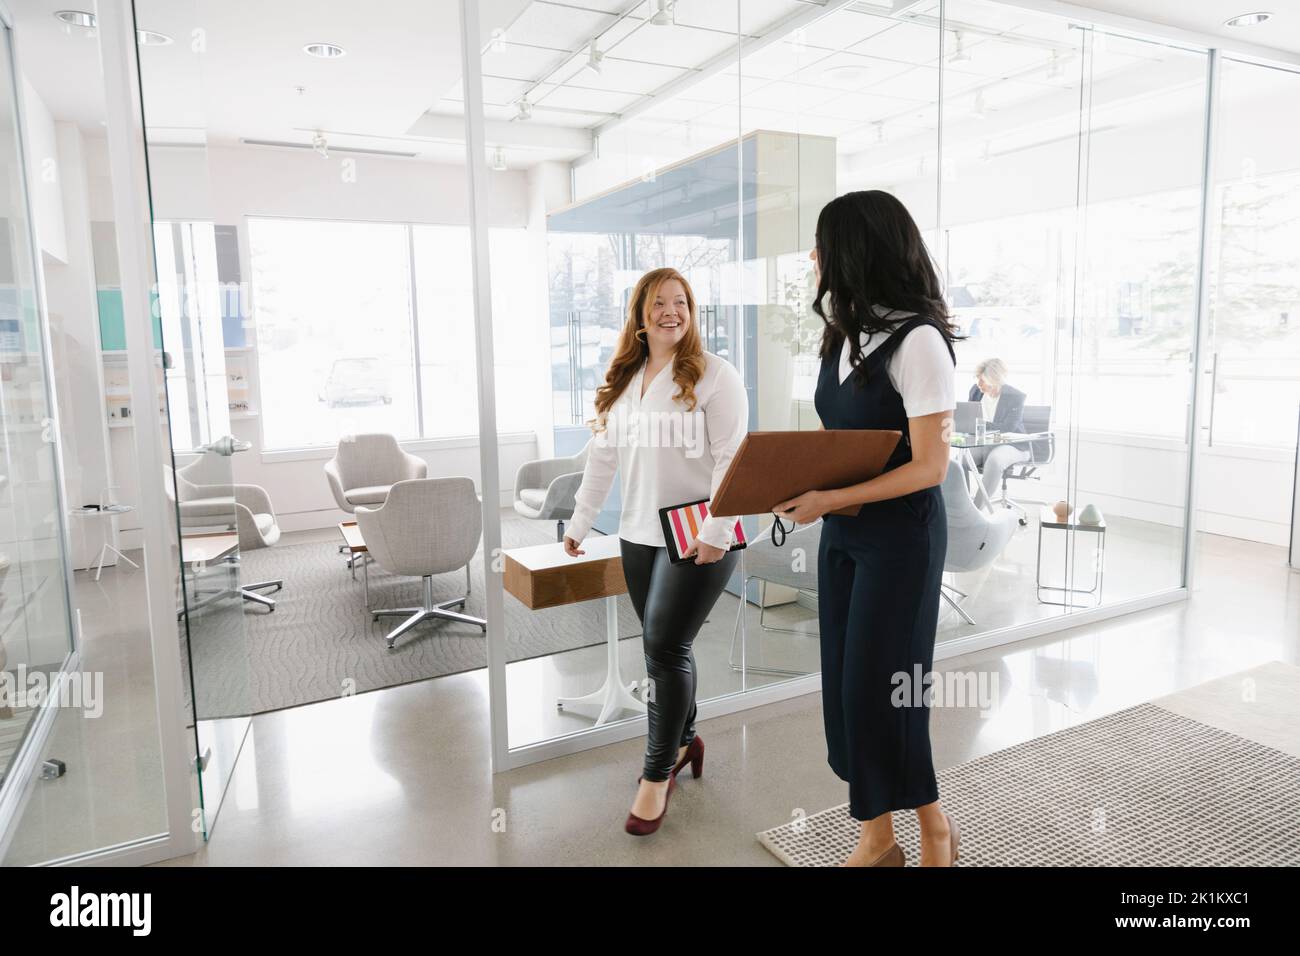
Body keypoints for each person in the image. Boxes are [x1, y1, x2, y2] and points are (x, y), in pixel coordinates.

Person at [774, 190, 962, 867]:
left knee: (889, 688)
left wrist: (830, 496)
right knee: (849, 690)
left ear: (854, 252)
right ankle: (878, 837)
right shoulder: (843, 334)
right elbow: (848, 439)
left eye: (822, 246)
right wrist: (796, 479)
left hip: (902, 538)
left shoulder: (920, 344)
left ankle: (932, 827)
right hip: (846, 529)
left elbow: (931, 466)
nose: (814, 259)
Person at [563, 267, 747, 837]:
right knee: (664, 651)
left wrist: (716, 531)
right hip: (639, 536)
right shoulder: (624, 379)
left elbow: (732, 460)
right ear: (640, 316)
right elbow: (602, 460)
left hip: (697, 534)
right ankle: (687, 741)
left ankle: (655, 772)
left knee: (664, 647)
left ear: (692, 311)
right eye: (660, 303)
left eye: (681, 302)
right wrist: (581, 521)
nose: (672, 311)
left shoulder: (716, 374)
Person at [968, 358, 1030, 503]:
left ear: (994, 380)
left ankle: (977, 510)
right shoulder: (976, 391)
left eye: (982, 380)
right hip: (985, 443)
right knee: (960, 461)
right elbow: (969, 418)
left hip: (1013, 444)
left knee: (995, 461)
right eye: (978, 379)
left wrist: (981, 425)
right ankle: (963, 505)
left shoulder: (1015, 396)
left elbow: (1008, 427)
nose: (978, 384)